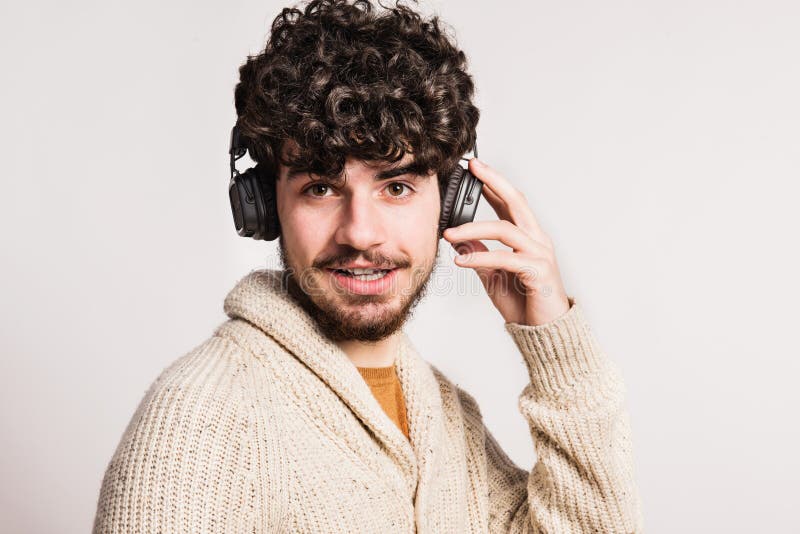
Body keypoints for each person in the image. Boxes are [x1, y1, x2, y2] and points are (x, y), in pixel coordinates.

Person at [92, 0, 643, 532]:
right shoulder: (199, 425)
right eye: (321, 187)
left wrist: (555, 348)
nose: (359, 231)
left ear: (450, 203)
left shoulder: (446, 419)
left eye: (396, 186)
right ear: (265, 206)